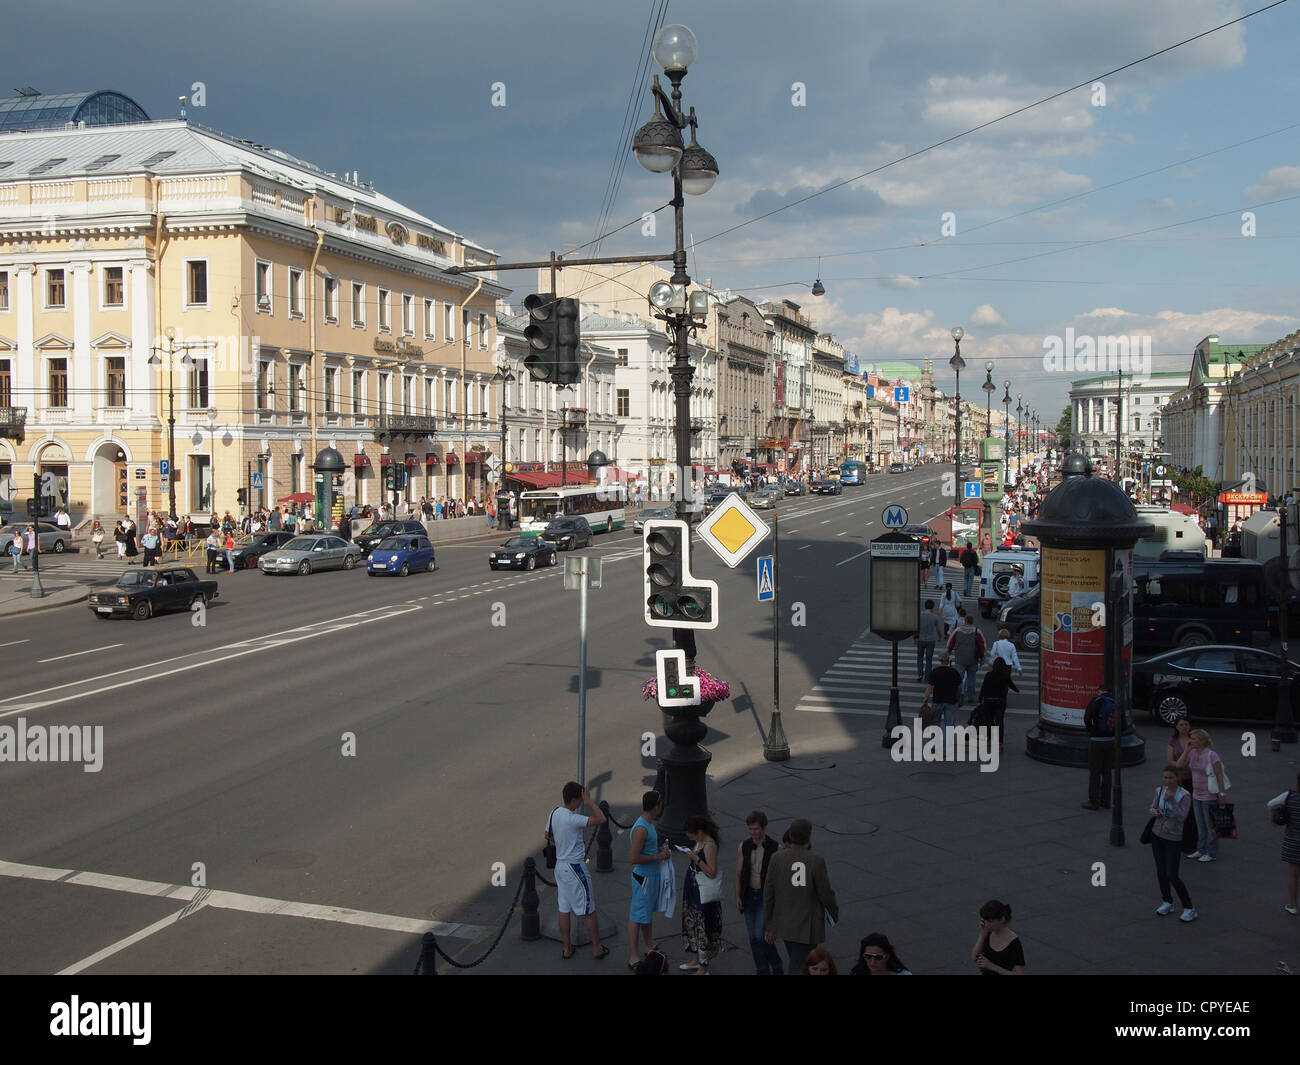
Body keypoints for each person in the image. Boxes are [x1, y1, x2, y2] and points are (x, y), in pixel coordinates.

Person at [763, 818, 839, 975]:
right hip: (807, 925)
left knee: (799, 960)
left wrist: (769, 922)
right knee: (800, 966)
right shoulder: (815, 861)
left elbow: (768, 893)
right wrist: (833, 912)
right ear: (808, 837)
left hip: (784, 921)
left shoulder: (777, 858)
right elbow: (825, 894)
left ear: (790, 835)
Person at [546, 783, 610, 961]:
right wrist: (590, 802)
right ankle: (597, 948)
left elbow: (547, 834)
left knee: (563, 908)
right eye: (581, 799)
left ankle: (567, 948)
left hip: (560, 866)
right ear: (574, 799)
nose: (582, 802)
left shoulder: (554, 813)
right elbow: (601, 819)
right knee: (589, 908)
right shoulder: (573, 819)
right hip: (575, 867)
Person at [735, 810, 783, 976]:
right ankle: (765, 969)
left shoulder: (775, 847)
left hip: (765, 897)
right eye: (750, 829)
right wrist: (738, 895)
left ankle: (774, 965)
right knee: (754, 938)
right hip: (749, 896)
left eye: (756, 829)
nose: (753, 832)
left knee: (760, 935)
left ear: (764, 828)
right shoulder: (744, 846)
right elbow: (739, 873)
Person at [627, 790, 671, 969]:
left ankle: (649, 944)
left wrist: (659, 850)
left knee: (646, 912)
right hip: (643, 878)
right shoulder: (641, 829)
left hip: (650, 877)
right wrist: (657, 857)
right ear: (656, 806)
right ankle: (633, 956)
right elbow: (634, 858)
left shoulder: (648, 823)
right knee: (636, 916)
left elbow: (647, 850)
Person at [1149, 765, 1196, 923]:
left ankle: (1189, 907)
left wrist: (1173, 802)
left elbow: (1182, 817)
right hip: (1157, 834)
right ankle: (1167, 901)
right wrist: (1154, 811)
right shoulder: (1159, 790)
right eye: (1165, 777)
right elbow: (1153, 807)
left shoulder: (1184, 795)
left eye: (1170, 777)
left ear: (1177, 778)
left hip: (1173, 838)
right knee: (1161, 872)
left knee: (1172, 874)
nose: (1167, 781)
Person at [1175, 729, 1229, 862]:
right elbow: (1179, 765)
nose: (1190, 741)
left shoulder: (1212, 755)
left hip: (1209, 795)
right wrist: (1187, 750)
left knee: (1210, 825)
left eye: (1193, 739)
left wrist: (1222, 794)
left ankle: (1211, 852)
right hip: (1196, 794)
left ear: (1201, 741)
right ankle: (1201, 849)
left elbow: (1219, 775)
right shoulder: (1192, 752)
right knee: (1200, 824)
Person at [679, 815, 723, 973]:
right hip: (693, 887)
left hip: (702, 891)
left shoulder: (710, 845)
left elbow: (712, 872)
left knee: (702, 926)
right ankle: (695, 959)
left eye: (691, 835)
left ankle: (704, 966)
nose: (690, 838)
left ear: (699, 832)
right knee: (692, 923)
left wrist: (696, 859)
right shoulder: (700, 841)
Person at [1081, 684, 1117, 811]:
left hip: (1096, 740)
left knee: (1095, 771)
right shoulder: (1116, 702)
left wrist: (1092, 731)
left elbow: (1087, 719)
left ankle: (1093, 801)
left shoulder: (1095, 701)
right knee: (1107, 771)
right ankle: (1106, 801)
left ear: (1100, 691)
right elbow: (1122, 724)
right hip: (1111, 740)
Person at [1166, 719, 1199, 854]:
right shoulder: (1172, 741)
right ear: (1176, 727)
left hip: (1195, 779)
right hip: (1180, 779)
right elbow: (1169, 760)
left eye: (1186, 724)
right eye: (1181, 725)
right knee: (1181, 810)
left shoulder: (1195, 739)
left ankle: (1193, 841)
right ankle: (1181, 839)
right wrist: (1180, 766)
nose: (1184, 727)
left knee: (1193, 810)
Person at [971, 899, 1025, 975]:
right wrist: (982, 936)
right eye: (984, 920)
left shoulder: (1014, 943)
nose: (986, 924)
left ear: (1002, 919)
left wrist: (993, 967)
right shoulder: (987, 932)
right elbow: (974, 957)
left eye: (990, 921)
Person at [1274, 772, 1300, 916]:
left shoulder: (1289, 797)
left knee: (1293, 873)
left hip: (1293, 841)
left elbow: (1271, 804)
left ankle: (1293, 905)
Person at [947, 611, 986, 705]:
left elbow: (950, 643)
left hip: (960, 658)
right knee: (972, 677)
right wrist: (982, 658)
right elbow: (982, 646)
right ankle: (971, 697)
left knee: (959, 678)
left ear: (965, 621)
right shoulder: (977, 631)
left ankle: (961, 694)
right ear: (972, 622)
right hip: (973, 658)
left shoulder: (958, 630)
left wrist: (949, 653)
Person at [978, 656, 1019, 743]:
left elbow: (984, 688)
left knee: (988, 720)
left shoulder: (988, 675)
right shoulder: (1005, 675)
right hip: (1000, 700)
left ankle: (989, 738)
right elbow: (1011, 685)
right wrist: (1017, 690)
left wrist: (980, 699)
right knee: (999, 721)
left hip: (988, 700)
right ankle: (1000, 742)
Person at [923, 650, 963, 729]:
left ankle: (936, 740)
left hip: (937, 700)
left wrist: (926, 698)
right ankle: (949, 741)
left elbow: (929, 687)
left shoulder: (935, 672)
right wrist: (959, 699)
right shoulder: (954, 672)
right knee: (950, 724)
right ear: (948, 660)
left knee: (935, 722)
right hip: (951, 701)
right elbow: (959, 688)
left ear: (940, 660)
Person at [914, 600, 941, 683]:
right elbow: (938, 629)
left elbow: (915, 628)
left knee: (920, 657)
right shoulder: (935, 617)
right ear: (932, 607)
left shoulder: (919, 616)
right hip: (931, 640)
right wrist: (940, 637)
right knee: (929, 659)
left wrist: (914, 638)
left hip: (920, 639)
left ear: (925, 606)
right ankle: (928, 676)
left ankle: (920, 674)